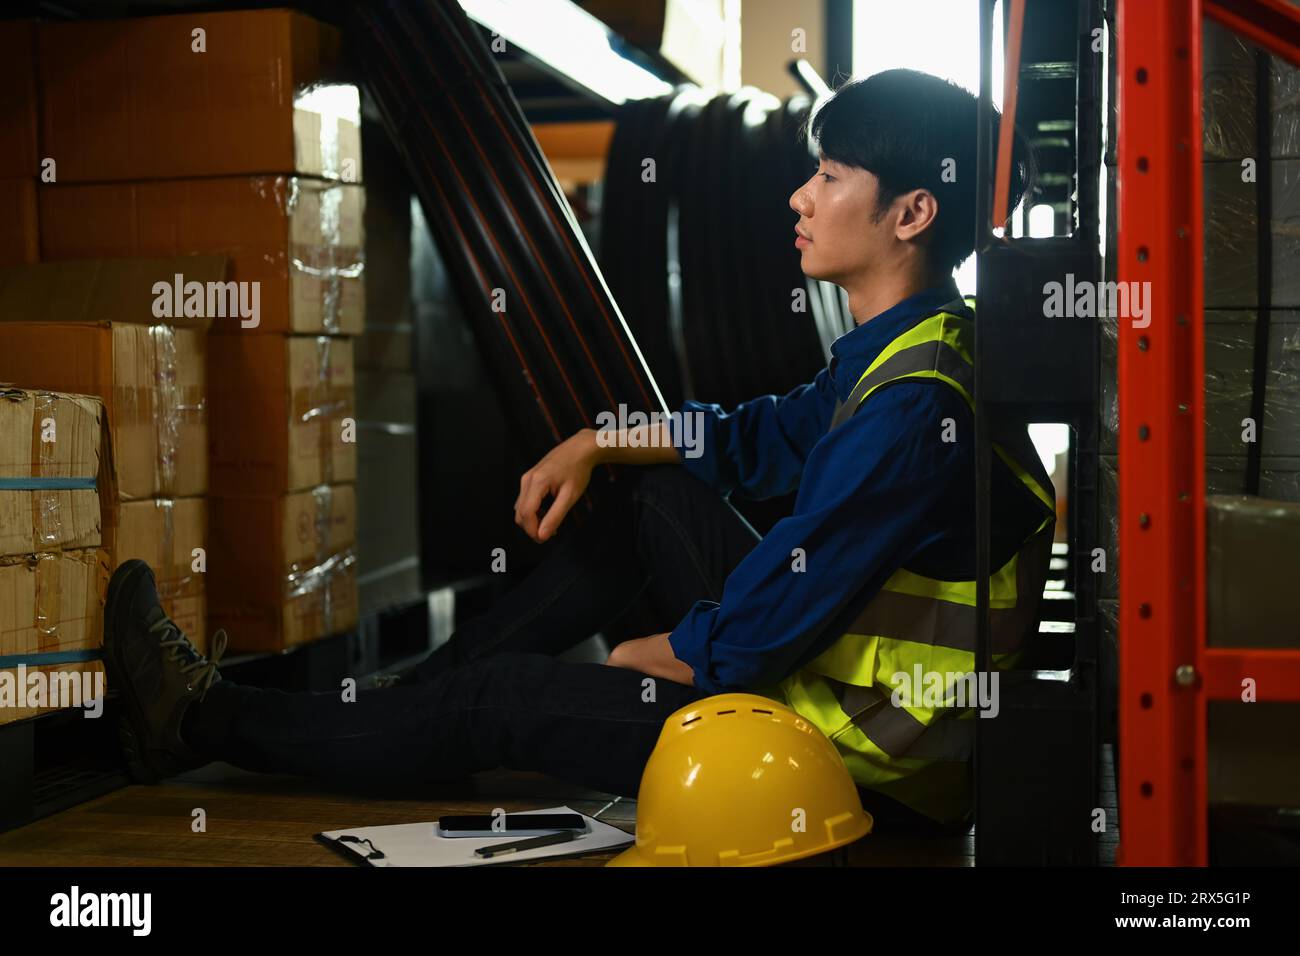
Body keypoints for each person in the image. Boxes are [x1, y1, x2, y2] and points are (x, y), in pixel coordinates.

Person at [104, 68, 1052, 832]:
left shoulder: (913, 405)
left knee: (504, 705)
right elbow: (750, 439)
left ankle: (197, 718)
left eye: (834, 176)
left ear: (912, 214)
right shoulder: (910, 351)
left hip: (850, 764)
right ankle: (395, 707)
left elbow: (771, 627)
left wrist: (671, 653)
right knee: (648, 498)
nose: (803, 194)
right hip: (824, 701)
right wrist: (600, 438)